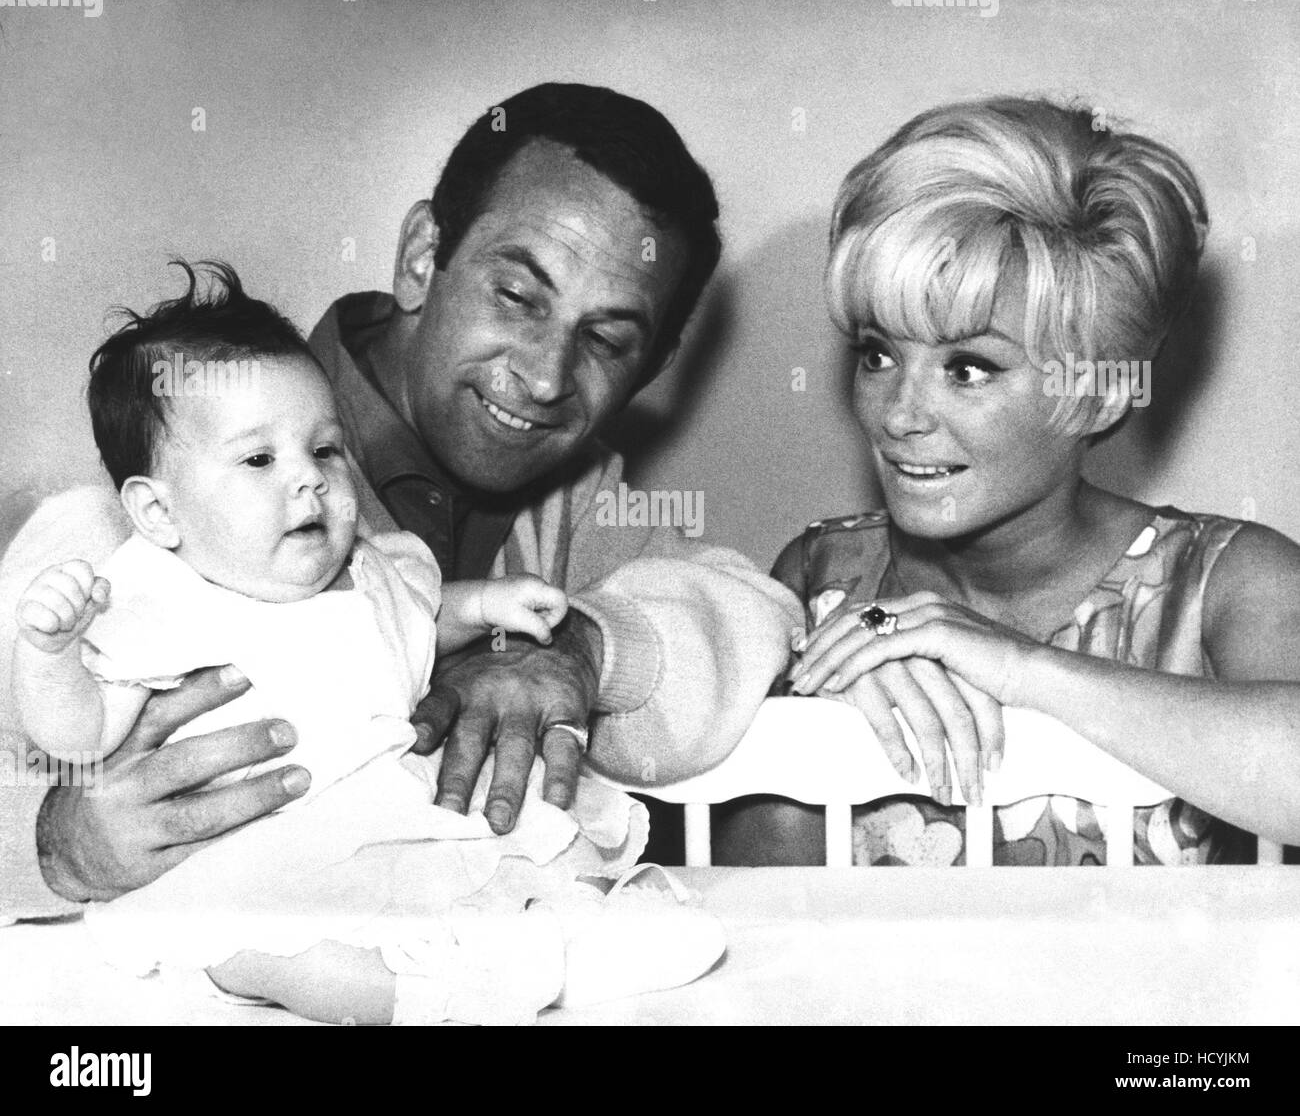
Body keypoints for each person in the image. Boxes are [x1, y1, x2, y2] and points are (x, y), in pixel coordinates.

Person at [0, 82, 801, 919]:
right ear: (424, 257)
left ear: (653, 367)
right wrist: (53, 844)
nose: (543, 375)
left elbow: (758, 611)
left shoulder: (586, 507)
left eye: (606, 339)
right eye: (517, 296)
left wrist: (584, 649)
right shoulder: (115, 526)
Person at [16, 262, 723, 1026]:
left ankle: (578, 944)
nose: (310, 482)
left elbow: (419, 616)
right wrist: (48, 652)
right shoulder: (153, 599)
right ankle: (431, 996)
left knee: (527, 841)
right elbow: (78, 733)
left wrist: (486, 604)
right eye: (260, 460)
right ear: (157, 512)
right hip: (254, 850)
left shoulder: (365, 570)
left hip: (392, 808)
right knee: (280, 952)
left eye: (324, 451)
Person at [716, 97, 1300, 866]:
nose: (898, 415)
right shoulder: (822, 578)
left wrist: (1025, 671)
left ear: (1098, 393)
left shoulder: (1227, 583)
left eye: (968, 367)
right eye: (877, 354)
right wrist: (804, 721)